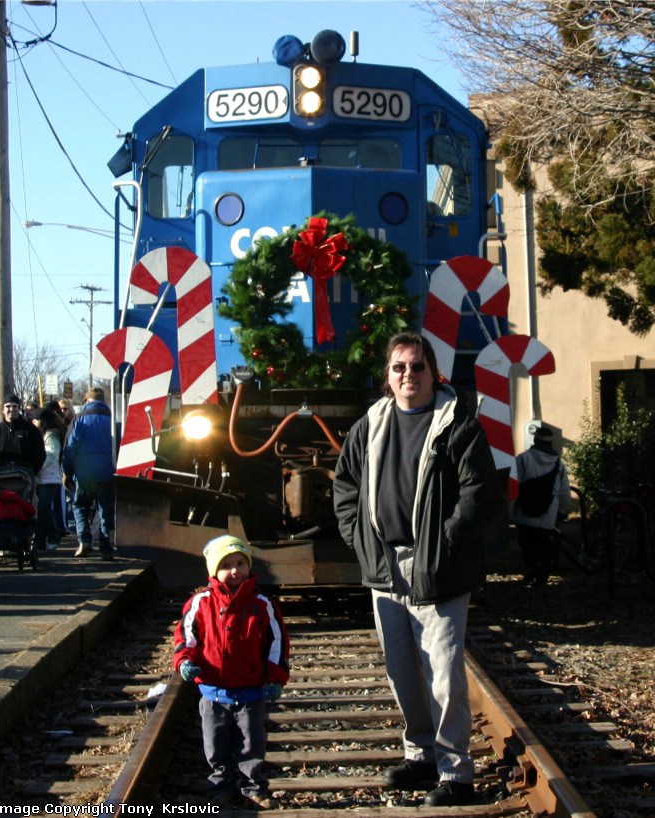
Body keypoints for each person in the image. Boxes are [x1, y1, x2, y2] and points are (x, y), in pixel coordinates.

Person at [332, 331, 504, 807]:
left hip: (440, 566)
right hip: (385, 564)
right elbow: (346, 484)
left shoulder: (457, 426)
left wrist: (445, 542)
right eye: (399, 368)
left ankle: (456, 774)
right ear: (388, 377)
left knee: (444, 674)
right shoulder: (369, 425)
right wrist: (358, 537)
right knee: (402, 670)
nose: (409, 375)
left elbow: (478, 493)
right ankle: (420, 754)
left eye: (417, 366)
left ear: (433, 372)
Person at [173, 535, 290, 809]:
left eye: (240, 563)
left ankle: (253, 785)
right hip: (213, 691)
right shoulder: (200, 602)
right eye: (226, 565)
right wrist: (183, 662)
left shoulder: (262, 603)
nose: (235, 570)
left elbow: (277, 644)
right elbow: (186, 638)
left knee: (252, 743)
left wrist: (275, 677)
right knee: (215, 743)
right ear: (214, 570)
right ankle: (221, 784)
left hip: (250, 689)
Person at [513, 426, 572, 586]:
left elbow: (514, 484)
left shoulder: (523, 459)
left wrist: (510, 509)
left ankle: (532, 566)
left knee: (526, 542)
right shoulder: (558, 464)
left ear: (535, 440)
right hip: (548, 512)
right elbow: (564, 491)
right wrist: (563, 510)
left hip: (524, 510)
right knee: (544, 543)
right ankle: (542, 571)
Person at [62, 387, 116, 560]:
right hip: (108, 472)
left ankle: (84, 541)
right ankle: (106, 547)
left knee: (79, 505)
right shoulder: (113, 420)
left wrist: (67, 472)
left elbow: (70, 449)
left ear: (86, 401)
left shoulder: (79, 420)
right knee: (105, 511)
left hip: (84, 474)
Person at [33, 406, 66, 551]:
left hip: (50, 478)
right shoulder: (44, 435)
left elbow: (51, 454)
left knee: (43, 508)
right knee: (40, 510)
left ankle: (54, 534)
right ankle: (40, 540)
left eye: (36, 420)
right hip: (43, 478)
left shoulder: (51, 436)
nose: (33, 422)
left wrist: (37, 465)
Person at [0, 393, 46, 476]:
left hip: (24, 478)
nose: (11, 409)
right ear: (3, 409)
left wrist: (31, 471)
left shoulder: (31, 430)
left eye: (15, 406)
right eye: (8, 406)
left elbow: (40, 454)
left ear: (19, 408)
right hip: (0, 477)